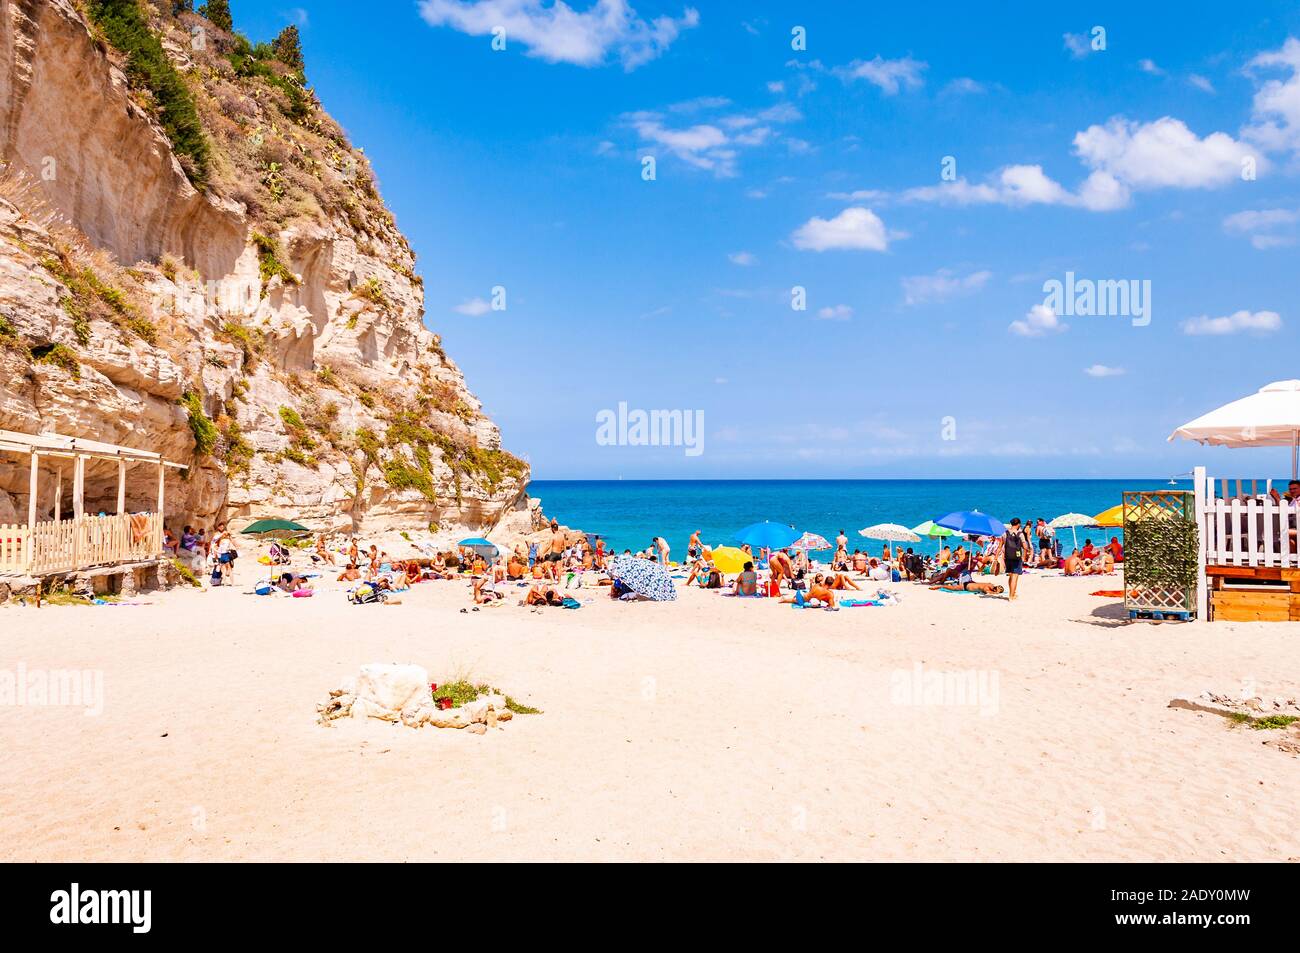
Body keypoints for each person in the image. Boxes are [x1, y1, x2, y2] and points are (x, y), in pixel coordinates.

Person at [1002, 518, 1024, 600]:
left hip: (1007, 557)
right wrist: (1027, 549)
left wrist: (996, 557)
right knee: (1015, 576)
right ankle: (1011, 596)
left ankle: (1012, 592)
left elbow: (1001, 546)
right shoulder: (1020, 534)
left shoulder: (1005, 533)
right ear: (1018, 524)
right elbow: (1024, 546)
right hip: (1017, 557)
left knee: (1011, 575)